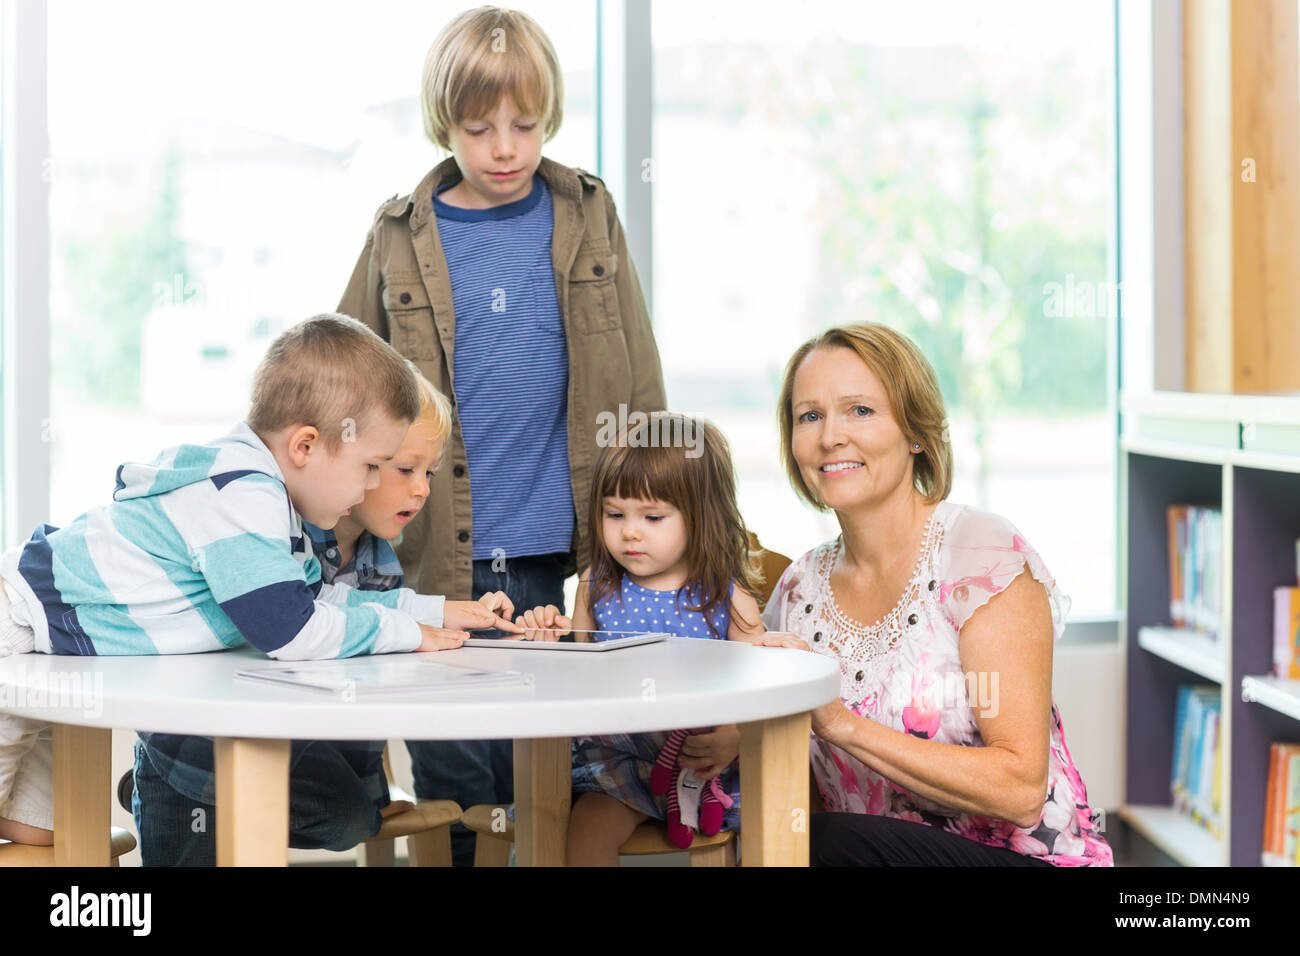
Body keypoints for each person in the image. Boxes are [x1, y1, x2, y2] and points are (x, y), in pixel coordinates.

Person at [337, 5, 666, 865]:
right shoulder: (399, 233)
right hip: (431, 553)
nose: (505, 147)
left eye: (524, 124)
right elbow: (339, 383)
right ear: (444, 124)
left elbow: (639, 373)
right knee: (453, 781)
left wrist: (663, 519)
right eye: (479, 128)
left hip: (555, 555)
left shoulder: (589, 212)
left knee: (545, 780)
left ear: (549, 114)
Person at [0, 314, 517, 849]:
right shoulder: (243, 495)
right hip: (15, 624)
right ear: (306, 446)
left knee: (45, 833)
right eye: (371, 466)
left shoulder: (275, 505)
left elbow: (313, 597)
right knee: (45, 836)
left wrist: (430, 614)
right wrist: (403, 632)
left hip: (56, 642)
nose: (369, 485)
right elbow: (291, 631)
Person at [761, 322, 1112, 866]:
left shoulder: (980, 556)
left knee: (823, 844)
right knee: (789, 839)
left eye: (860, 410)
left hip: (1020, 860)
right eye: (810, 416)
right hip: (871, 859)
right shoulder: (796, 590)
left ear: (916, 433)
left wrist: (841, 725)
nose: (830, 436)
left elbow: (1019, 790)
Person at [129, 364, 477, 865]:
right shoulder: (268, 528)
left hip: (290, 752)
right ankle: (165, 780)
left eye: (430, 474)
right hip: (206, 733)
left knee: (349, 817)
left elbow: (364, 680)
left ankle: (190, 789)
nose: (421, 489)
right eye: (401, 468)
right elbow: (293, 632)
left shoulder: (380, 566)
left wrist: (369, 798)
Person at [518, 412, 799, 866]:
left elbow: (759, 684)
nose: (629, 531)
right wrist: (548, 642)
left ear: (702, 517)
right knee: (586, 831)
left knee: (775, 830)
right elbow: (578, 677)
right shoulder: (597, 585)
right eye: (614, 513)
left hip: (705, 764)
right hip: (618, 760)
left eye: (652, 516)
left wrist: (733, 736)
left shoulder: (725, 593)